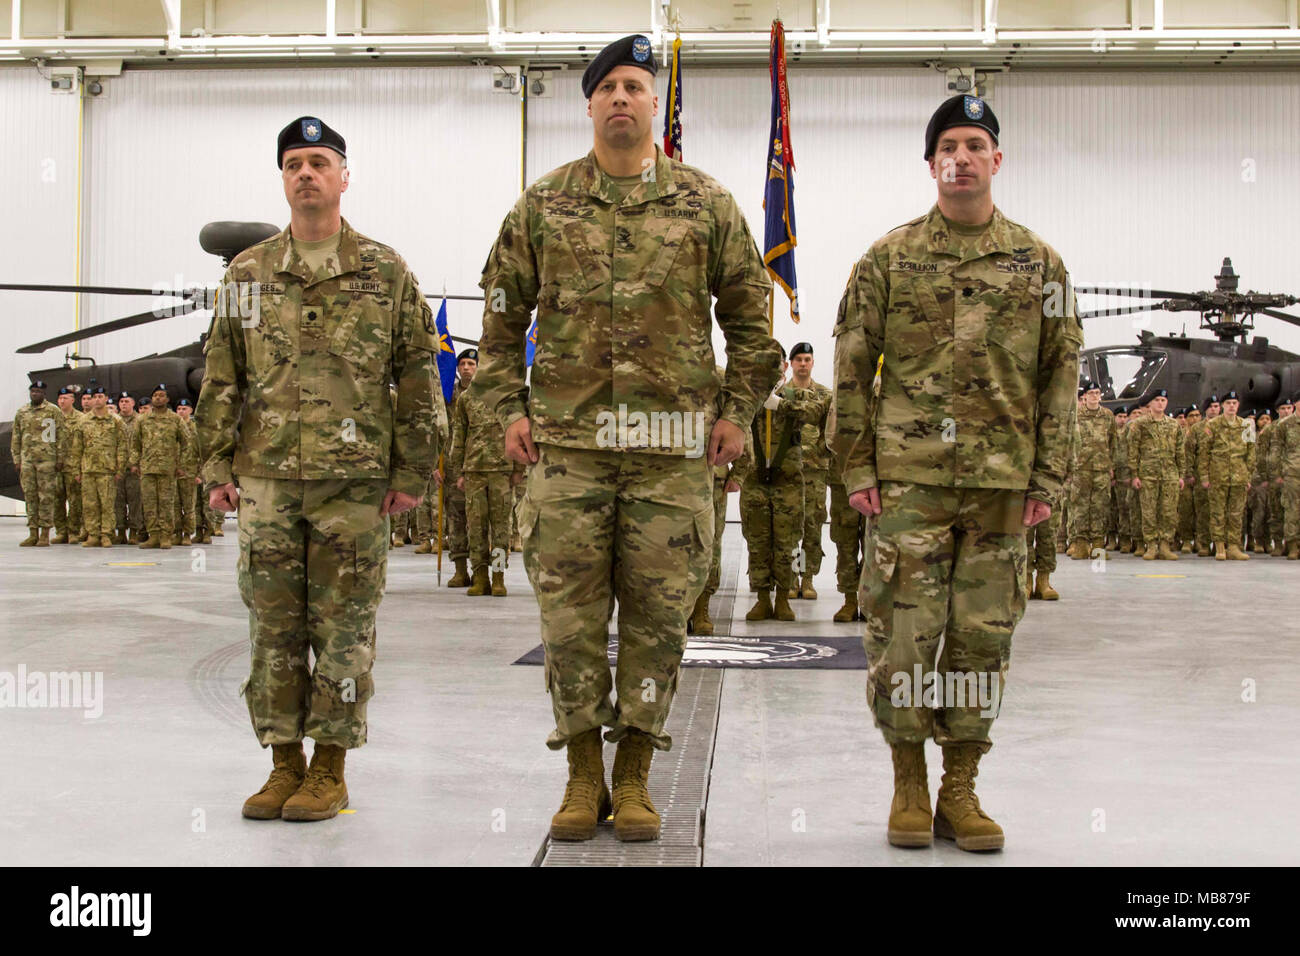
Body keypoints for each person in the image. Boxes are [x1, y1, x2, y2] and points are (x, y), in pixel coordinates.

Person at [473, 35, 781, 843]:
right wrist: (507, 409)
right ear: (588, 104)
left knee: (657, 621)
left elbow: (755, 327)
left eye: (635, 86)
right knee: (569, 623)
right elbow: (500, 330)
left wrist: (736, 415)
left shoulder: (706, 205)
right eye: (607, 85)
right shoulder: (542, 207)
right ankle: (581, 775)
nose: (620, 98)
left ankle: (635, 772)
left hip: (670, 458)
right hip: (568, 455)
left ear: (654, 102)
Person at [831, 94, 1081, 851]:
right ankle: (908, 780)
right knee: (903, 637)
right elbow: (849, 365)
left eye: (975, 144)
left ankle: (960, 787)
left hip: (1001, 487)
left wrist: (1048, 478)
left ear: (996, 159)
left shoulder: (1042, 263)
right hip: (909, 482)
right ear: (932, 163)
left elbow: (1061, 374)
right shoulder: (887, 257)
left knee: (981, 640)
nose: (962, 157)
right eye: (949, 145)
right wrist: (855, 466)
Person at [197, 116, 441, 823]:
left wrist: (413, 468)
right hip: (268, 483)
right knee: (272, 630)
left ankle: (330, 769)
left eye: (320, 162)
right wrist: (215, 462)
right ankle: (283, 764)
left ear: (342, 176)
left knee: (344, 628)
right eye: (295, 163)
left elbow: (417, 375)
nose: (307, 173)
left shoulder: (384, 271)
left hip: (354, 487)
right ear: (283, 179)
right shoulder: (247, 274)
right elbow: (221, 377)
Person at [735, 349, 819, 622]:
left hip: (788, 483)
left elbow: (817, 410)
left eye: (775, 365)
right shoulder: (747, 397)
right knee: (757, 542)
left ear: (784, 366)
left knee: (787, 543)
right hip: (755, 480)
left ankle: (784, 597)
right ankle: (761, 598)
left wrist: (779, 404)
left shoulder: (796, 395)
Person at [449, 349, 522, 596]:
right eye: (465, 364)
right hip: (474, 471)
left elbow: (520, 432)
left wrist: (519, 469)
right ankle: (480, 577)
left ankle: (498, 577)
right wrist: (458, 471)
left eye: (474, 364)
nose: (469, 368)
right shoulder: (466, 399)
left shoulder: (506, 397)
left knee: (501, 528)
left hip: (502, 469)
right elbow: (459, 436)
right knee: (476, 527)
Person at [788, 342, 833, 600]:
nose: (803, 364)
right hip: (790, 472)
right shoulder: (782, 396)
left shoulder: (825, 396)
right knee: (792, 527)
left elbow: (831, 433)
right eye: (799, 360)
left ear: (812, 363)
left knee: (813, 526)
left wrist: (822, 455)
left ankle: (808, 579)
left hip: (815, 472)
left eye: (807, 359)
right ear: (792, 364)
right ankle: (792, 579)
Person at [130, 384, 189, 549]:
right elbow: (135, 443)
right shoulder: (142, 420)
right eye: (155, 395)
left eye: (161, 395)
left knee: (166, 503)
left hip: (167, 469)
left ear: (167, 399)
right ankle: (153, 535)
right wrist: (134, 463)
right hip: (147, 468)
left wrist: (181, 464)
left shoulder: (175, 419)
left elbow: (186, 443)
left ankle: (166, 536)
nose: (158, 398)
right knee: (149, 503)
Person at [1127, 390, 1184, 560]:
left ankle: (1165, 545)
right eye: (1157, 400)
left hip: (1170, 474)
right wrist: (1134, 474)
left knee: (1169, 511)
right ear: (1150, 404)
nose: (1160, 403)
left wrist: (1181, 474)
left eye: (1163, 400)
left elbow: (1180, 451)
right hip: (1148, 474)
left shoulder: (1174, 425)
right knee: (1149, 511)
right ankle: (1151, 545)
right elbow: (1133, 450)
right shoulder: (1140, 424)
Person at [69, 386, 128, 548]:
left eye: (101, 396)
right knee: (90, 505)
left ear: (106, 398)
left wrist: (120, 468)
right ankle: (93, 535)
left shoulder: (116, 420)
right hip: (88, 470)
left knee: (107, 504)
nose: (97, 400)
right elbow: (76, 447)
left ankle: (106, 534)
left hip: (107, 470)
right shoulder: (83, 420)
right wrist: (76, 470)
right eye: (94, 397)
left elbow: (123, 446)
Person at [1199, 390, 1254, 561]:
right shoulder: (1213, 425)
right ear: (1223, 406)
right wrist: (1205, 477)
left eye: (1234, 403)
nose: (1231, 406)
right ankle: (1219, 546)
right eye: (1228, 403)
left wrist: (1248, 476)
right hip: (1218, 475)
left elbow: (1251, 453)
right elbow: (1204, 453)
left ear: (1238, 406)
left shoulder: (1246, 425)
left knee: (1236, 513)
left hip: (1239, 476)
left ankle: (1234, 547)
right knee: (1218, 512)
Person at [10, 380, 65, 547]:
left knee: (46, 497)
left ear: (44, 393)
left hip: (47, 461)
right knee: (30, 496)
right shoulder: (22, 412)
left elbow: (61, 435)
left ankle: (45, 533)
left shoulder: (53, 411)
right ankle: (32, 532)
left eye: (38, 391)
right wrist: (17, 459)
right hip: (27, 461)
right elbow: (16, 437)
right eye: (33, 391)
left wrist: (60, 458)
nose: (35, 394)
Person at [53, 386, 84, 543]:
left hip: (73, 466)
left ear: (73, 400)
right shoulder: (52, 419)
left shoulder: (81, 418)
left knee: (75, 501)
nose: (62, 401)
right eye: (59, 398)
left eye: (65, 398)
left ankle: (73, 531)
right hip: (56, 467)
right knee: (57, 500)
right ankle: (61, 531)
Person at [1266, 397, 1294, 555]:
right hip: (1277, 476)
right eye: (1283, 408)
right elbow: (1264, 453)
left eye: (1289, 408)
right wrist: (1271, 475)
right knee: (1276, 511)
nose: (1286, 411)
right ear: (1277, 410)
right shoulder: (1270, 429)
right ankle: (1277, 543)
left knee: (1294, 510)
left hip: (1294, 475)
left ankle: (1292, 543)